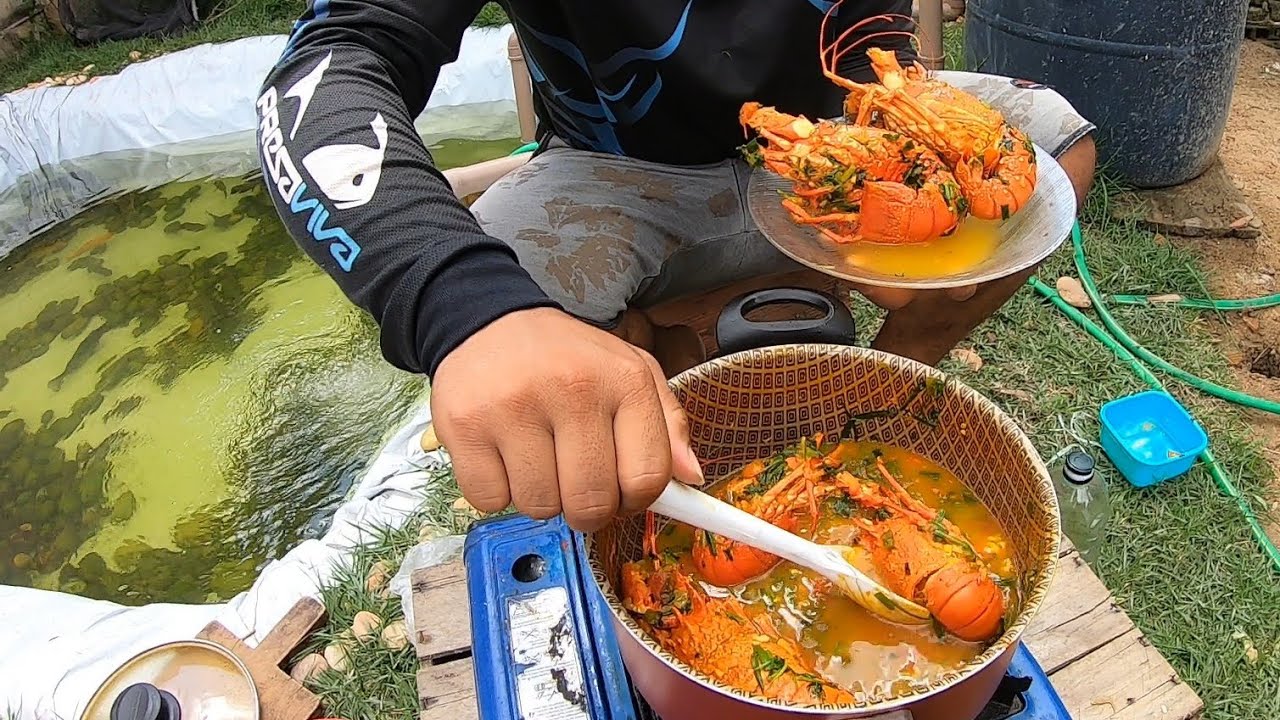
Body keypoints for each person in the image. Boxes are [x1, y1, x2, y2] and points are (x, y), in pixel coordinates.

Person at [257, 0, 1097, 533]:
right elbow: (329, 65)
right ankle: (672, 434)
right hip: (621, 170)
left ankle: (875, 393)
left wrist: (897, 138)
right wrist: (465, 305)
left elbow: (870, 27)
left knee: (1059, 142)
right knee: (522, 290)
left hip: (834, 138)